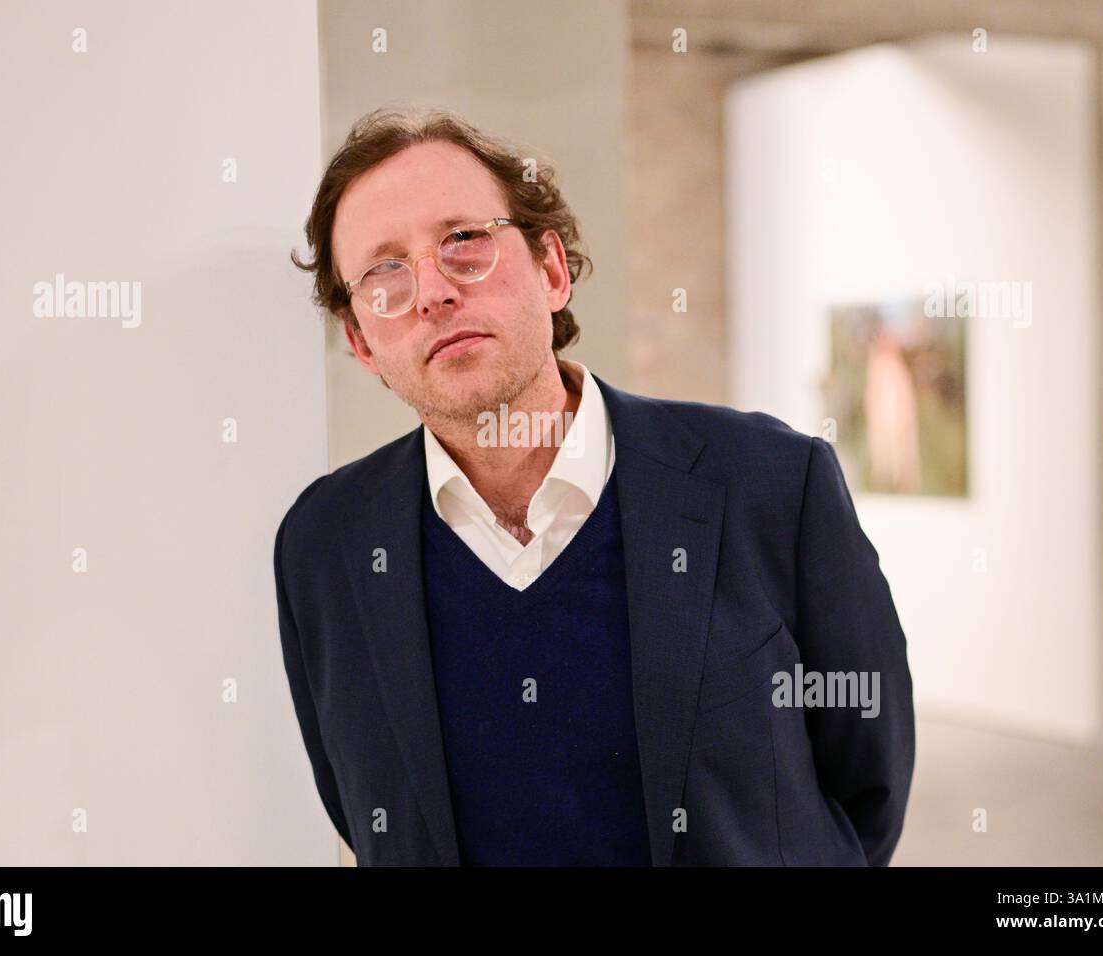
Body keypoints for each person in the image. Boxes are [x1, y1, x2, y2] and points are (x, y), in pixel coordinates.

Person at [274, 106, 914, 866]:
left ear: (549, 270)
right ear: (361, 343)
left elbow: (866, 784)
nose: (431, 292)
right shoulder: (327, 545)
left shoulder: (768, 483)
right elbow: (356, 807)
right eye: (384, 272)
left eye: (464, 242)